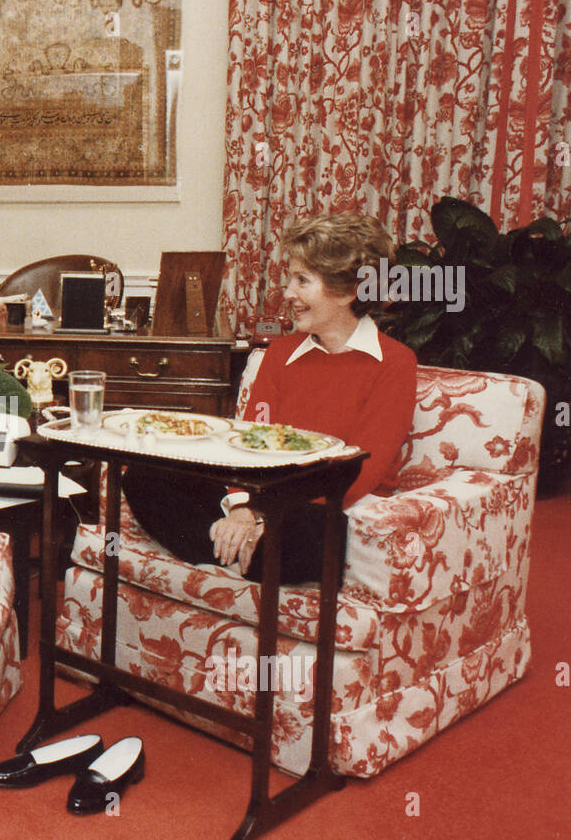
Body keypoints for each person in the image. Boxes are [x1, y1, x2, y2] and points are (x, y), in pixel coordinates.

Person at [123, 211, 417, 584]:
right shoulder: (279, 353)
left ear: (346, 292)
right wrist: (245, 509)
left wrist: (263, 513)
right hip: (262, 497)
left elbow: (359, 472)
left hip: (328, 506)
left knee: (307, 529)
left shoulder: (395, 363)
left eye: (302, 281)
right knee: (144, 477)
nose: (288, 293)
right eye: (290, 279)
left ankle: (224, 552)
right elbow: (247, 447)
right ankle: (236, 552)